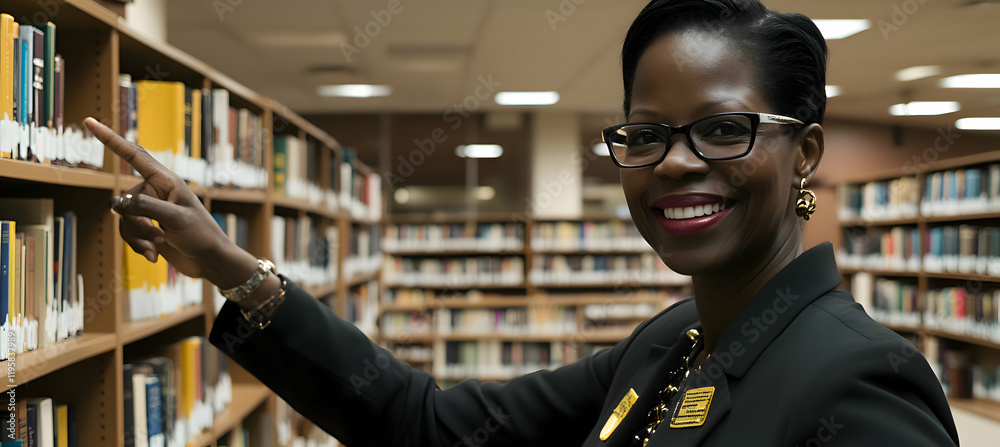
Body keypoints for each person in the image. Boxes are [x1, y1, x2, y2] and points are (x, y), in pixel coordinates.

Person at [86, 0, 961, 445]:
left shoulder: (861, 381)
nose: (677, 163)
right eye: (645, 135)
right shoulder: (672, 341)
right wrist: (233, 267)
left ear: (804, 153)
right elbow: (431, 425)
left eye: (724, 128)